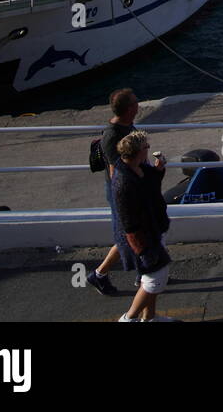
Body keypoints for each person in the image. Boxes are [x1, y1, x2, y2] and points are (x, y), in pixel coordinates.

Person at [112, 131, 174, 321]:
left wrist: (159, 169)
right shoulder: (124, 183)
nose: (149, 149)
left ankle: (149, 317)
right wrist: (144, 251)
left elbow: (151, 185)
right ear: (138, 151)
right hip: (141, 239)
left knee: (151, 278)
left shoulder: (138, 168)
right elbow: (129, 223)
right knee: (155, 278)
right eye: (146, 147)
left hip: (153, 230)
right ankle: (129, 318)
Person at [87, 88, 138, 297]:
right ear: (128, 109)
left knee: (138, 232)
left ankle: (144, 273)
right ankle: (99, 274)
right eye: (135, 102)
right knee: (126, 236)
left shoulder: (127, 126)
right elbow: (115, 171)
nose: (138, 104)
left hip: (133, 187)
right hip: (122, 192)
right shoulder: (112, 136)